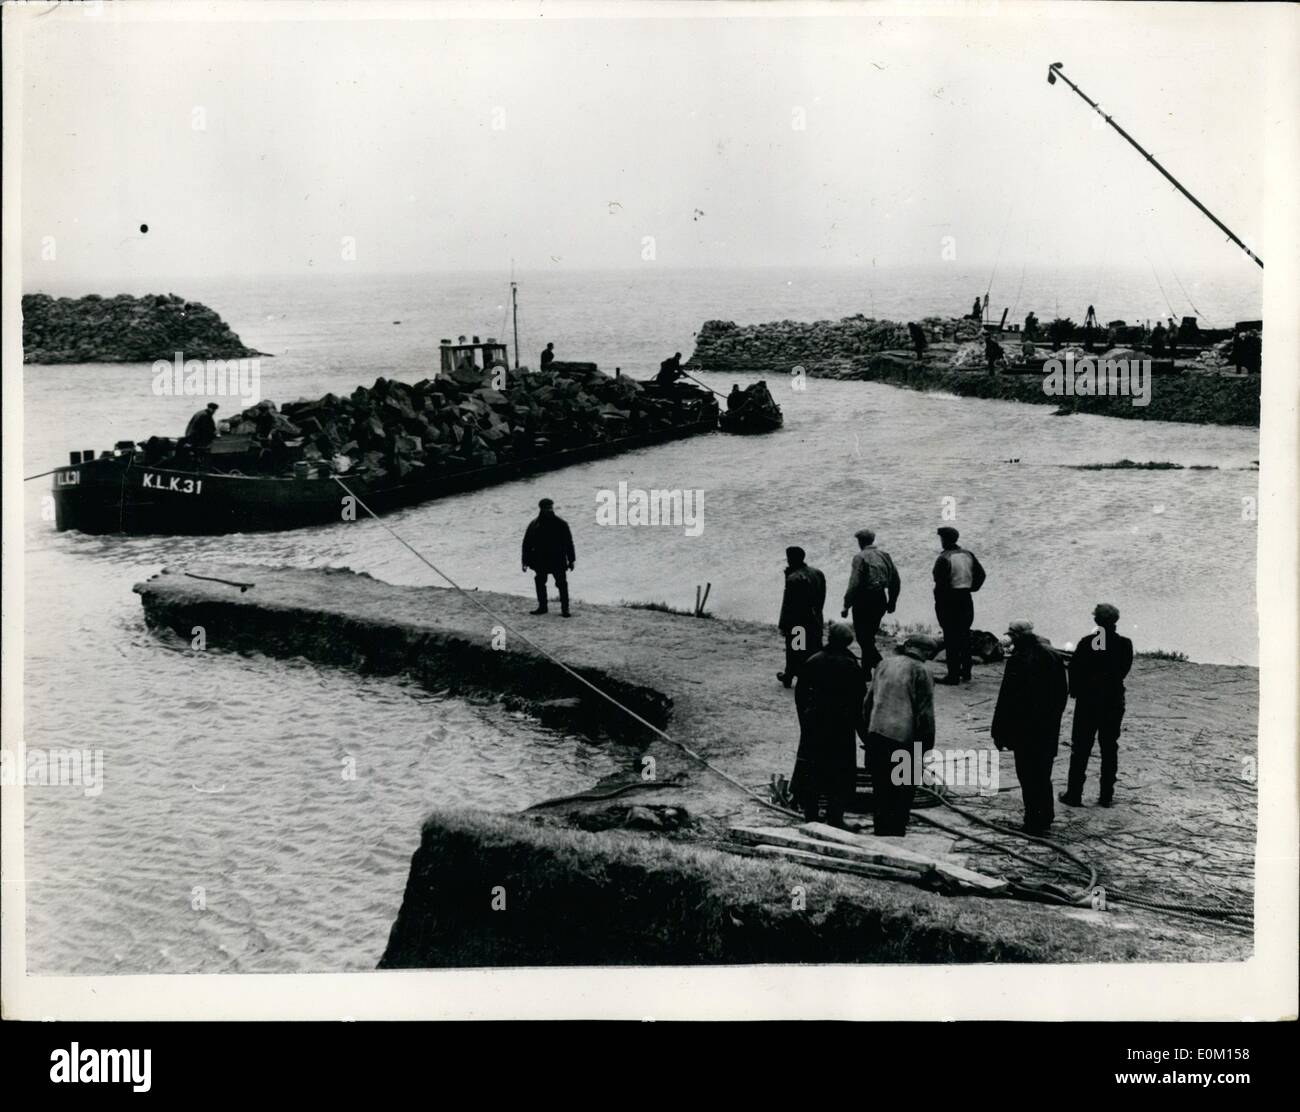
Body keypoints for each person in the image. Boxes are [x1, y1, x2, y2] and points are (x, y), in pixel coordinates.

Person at [991, 620, 1068, 835]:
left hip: (1024, 729)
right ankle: (1046, 816)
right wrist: (1053, 718)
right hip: (1047, 727)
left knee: (1027, 775)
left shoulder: (1017, 660)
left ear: (1015, 637)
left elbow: (1006, 699)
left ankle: (1033, 822)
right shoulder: (1053, 656)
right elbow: (1062, 693)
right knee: (1043, 774)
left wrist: (998, 732)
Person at [790, 621, 864, 827]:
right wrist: (864, 733)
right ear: (848, 642)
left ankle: (811, 816)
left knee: (811, 770)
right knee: (840, 772)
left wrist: (804, 721)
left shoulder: (813, 660)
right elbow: (860, 702)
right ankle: (835, 818)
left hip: (814, 724)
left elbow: (800, 695)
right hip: (841, 725)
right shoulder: (851, 665)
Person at [861, 635, 937, 835]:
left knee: (880, 787)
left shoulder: (884, 664)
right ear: (927, 652)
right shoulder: (922, 671)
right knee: (903, 790)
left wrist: (867, 733)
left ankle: (880, 829)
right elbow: (925, 712)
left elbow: (868, 702)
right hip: (904, 739)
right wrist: (926, 743)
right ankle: (895, 832)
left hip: (877, 733)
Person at [1060, 604, 1133, 808]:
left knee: (1081, 747)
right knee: (1109, 747)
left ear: (1096, 621)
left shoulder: (1087, 642)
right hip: (1113, 700)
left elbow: (1074, 670)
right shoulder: (1125, 644)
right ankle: (1106, 796)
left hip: (1089, 701)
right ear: (1116, 621)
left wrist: (1077, 689)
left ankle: (1074, 794)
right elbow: (1122, 671)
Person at [840, 528, 900, 674]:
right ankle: (865, 671)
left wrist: (846, 605)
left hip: (863, 599)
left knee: (863, 638)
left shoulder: (860, 557)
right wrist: (892, 601)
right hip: (880, 598)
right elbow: (895, 580)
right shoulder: (885, 555)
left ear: (860, 542)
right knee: (869, 636)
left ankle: (882, 667)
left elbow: (854, 583)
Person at [932, 526, 985, 685]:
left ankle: (953, 675)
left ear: (945, 540)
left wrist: (939, 605)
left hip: (949, 599)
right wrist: (972, 587)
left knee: (950, 637)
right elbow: (981, 575)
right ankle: (966, 672)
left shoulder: (944, 558)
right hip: (966, 597)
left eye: (942, 539)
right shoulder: (968, 554)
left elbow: (939, 584)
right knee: (964, 634)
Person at [777, 546, 826, 687]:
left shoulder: (793, 578)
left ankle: (789, 676)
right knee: (814, 648)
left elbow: (788, 605)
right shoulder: (818, 573)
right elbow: (822, 598)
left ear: (791, 559)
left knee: (795, 649)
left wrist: (784, 625)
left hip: (798, 622)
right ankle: (814, 677)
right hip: (815, 619)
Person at [521, 498, 576, 617]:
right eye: (547, 508)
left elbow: (569, 543)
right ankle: (542, 607)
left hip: (558, 559)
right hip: (540, 559)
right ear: (541, 509)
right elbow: (526, 544)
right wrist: (525, 562)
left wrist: (571, 560)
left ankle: (565, 609)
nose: (549, 510)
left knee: (562, 583)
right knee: (540, 581)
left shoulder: (561, 524)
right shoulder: (534, 525)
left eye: (551, 507)